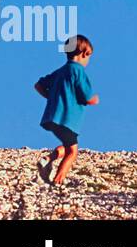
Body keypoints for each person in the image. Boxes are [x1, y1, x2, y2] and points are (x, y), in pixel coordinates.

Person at [33, 35, 99, 186]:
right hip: (68, 120)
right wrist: (94, 99)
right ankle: (59, 180)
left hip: (52, 118)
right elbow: (87, 96)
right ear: (84, 53)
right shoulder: (78, 71)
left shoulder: (61, 71)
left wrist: (52, 98)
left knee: (68, 145)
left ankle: (47, 160)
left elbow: (38, 85)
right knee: (72, 152)